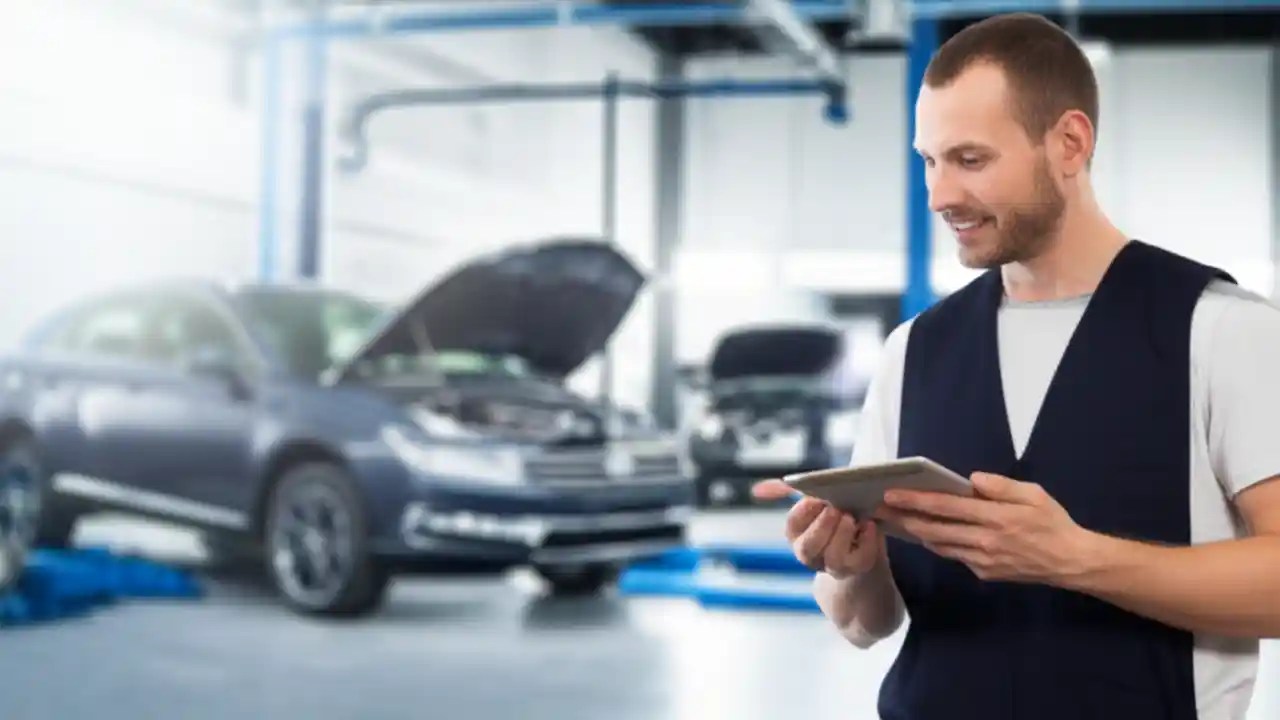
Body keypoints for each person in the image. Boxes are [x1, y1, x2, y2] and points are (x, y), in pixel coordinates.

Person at [753, 12, 1280, 720]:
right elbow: (863, 622)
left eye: (970, 160)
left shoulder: (1222, 330)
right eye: (929, 161)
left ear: (1069, 143)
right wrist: (854, 567)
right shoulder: (914, 350)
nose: (939, 196)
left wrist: (1074, 558)